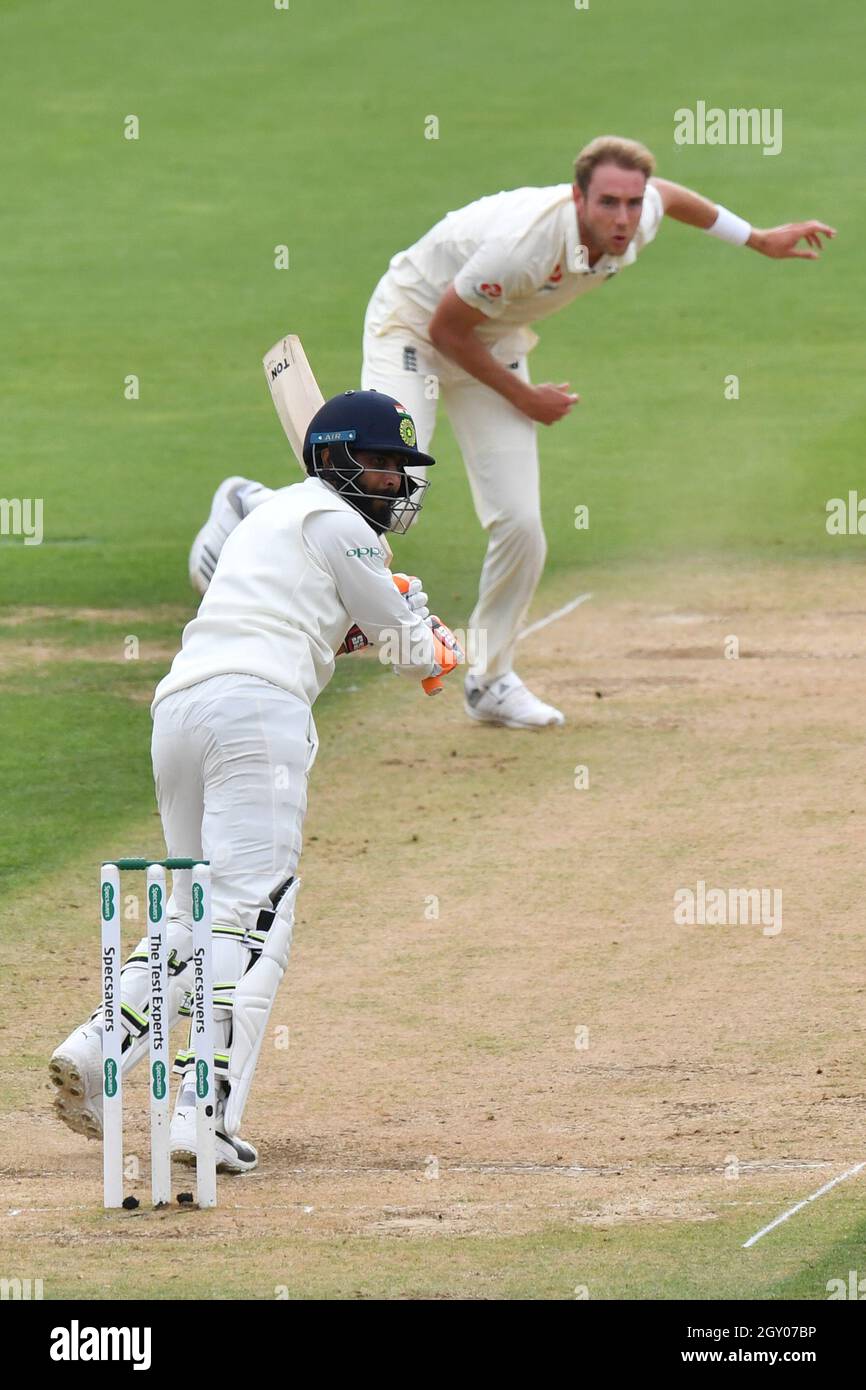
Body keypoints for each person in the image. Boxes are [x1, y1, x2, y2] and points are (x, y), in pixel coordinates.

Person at [189, 135, 835, 730]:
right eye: (607, 202)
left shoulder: (640, 218)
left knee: (522, 524)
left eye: (631, 203)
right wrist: (526, 397)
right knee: (385, 494)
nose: (623, 217)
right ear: (577, 197)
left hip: (489, 340)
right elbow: (445, 331)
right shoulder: (527, 244)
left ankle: (490, 680)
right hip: (415, 324)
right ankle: (248, 506)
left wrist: (759, 239)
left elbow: (674, 198)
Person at [50, 391, 462, 1173]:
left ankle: (147, 1072)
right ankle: (173, 1097)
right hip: (257, 715)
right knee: (253, 912)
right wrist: (429, 634)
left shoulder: (270, 520)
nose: (393, 481)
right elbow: (410, 651)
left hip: (180, 709)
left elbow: (317, 626)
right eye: (379, 463)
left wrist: (384, 616)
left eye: (400, 467)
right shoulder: (339, 526)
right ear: (334, 459)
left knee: (205, 906)